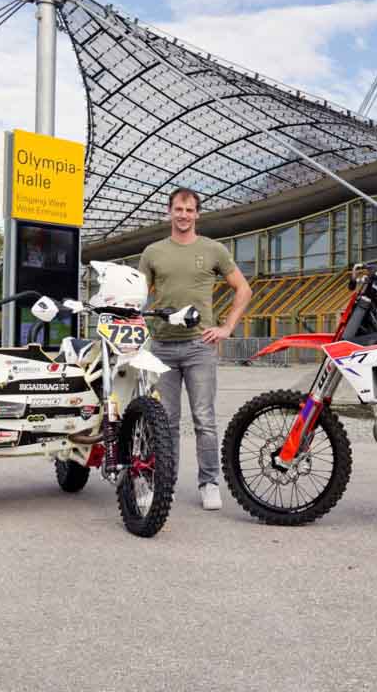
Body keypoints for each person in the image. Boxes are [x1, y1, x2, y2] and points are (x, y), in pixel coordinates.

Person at [139, 188, 253, 510]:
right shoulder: (152, 252)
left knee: (204, 419)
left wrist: (227, 327)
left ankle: (209, 483)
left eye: (189, 210)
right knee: (166, 422)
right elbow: (137, 296)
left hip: (199, 346)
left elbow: (243, 289)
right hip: (161, 347)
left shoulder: (213, 250)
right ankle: (165, 484)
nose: (184, 215)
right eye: (178, 209)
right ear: (169, 211)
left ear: (197, 214)